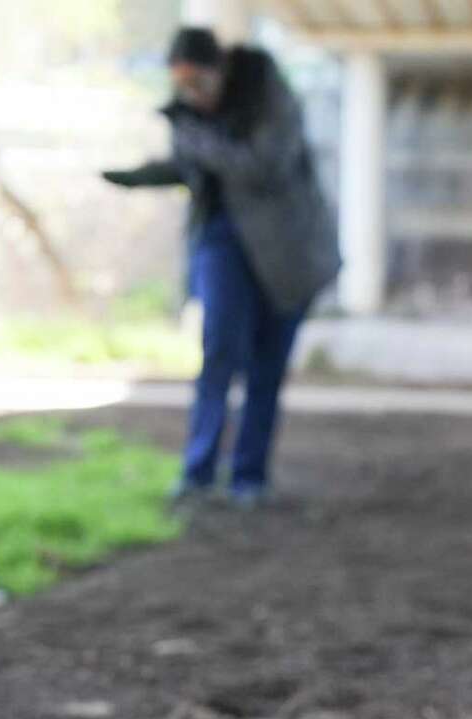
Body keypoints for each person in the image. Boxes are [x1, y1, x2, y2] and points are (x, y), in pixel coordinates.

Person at [106, 28, 339, 508]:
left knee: (266, 367)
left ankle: (249, 478)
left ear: (221, 71)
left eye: (198, 82)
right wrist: (141, 176)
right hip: (222, 241)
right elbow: (192, 165)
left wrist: (193, 136)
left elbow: (264, 165)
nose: (191, 93)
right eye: (181, 85)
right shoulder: (192, 119)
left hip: (288, 251)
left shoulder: (267, 96)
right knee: (218, 354)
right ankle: (198, 472)